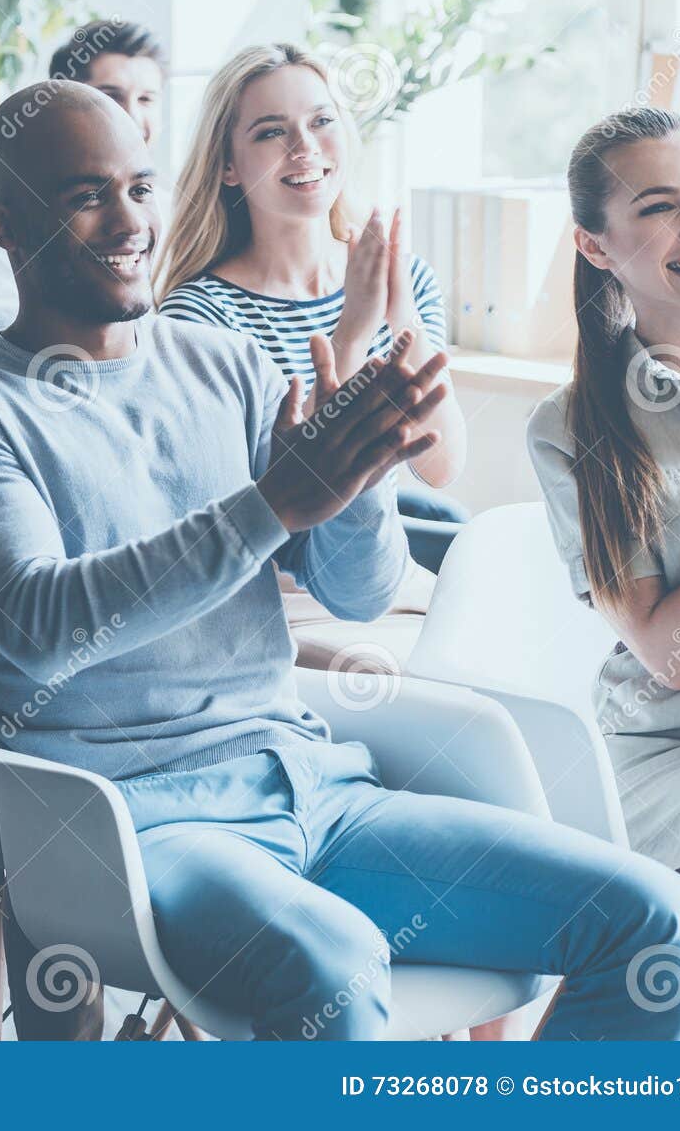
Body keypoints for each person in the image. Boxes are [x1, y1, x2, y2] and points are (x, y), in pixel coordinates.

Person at [0, 80, 680, 1040]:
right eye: (84, 196)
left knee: (659, 924)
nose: (128, 221)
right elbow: (35, 631)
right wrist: (276, 502)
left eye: (142, 188)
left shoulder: (223, 364)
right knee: (337, 966)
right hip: (136, 823)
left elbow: (359, 594)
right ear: (3, 224)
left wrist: (353, 480)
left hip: (314, 785)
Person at [155, 42, 468, 680]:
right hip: (278, 605)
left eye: (321, 121)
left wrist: (395, 310)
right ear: (228, 167)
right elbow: (255, 521)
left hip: (389, 576)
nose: (305, 148)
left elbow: (441, 464)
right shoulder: (198, 320)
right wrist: (352, 338)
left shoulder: (400, 277)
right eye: (272, 132)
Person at [528, 106, 680, 1037]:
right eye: (660, 207)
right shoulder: (574, 430)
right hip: (673, 753)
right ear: (595, 248)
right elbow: (670, 655)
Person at [0, 19, 168, 314]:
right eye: (110, 97)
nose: (131, 116)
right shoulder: (23, 225)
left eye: (146, 99)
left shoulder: (181, 218)